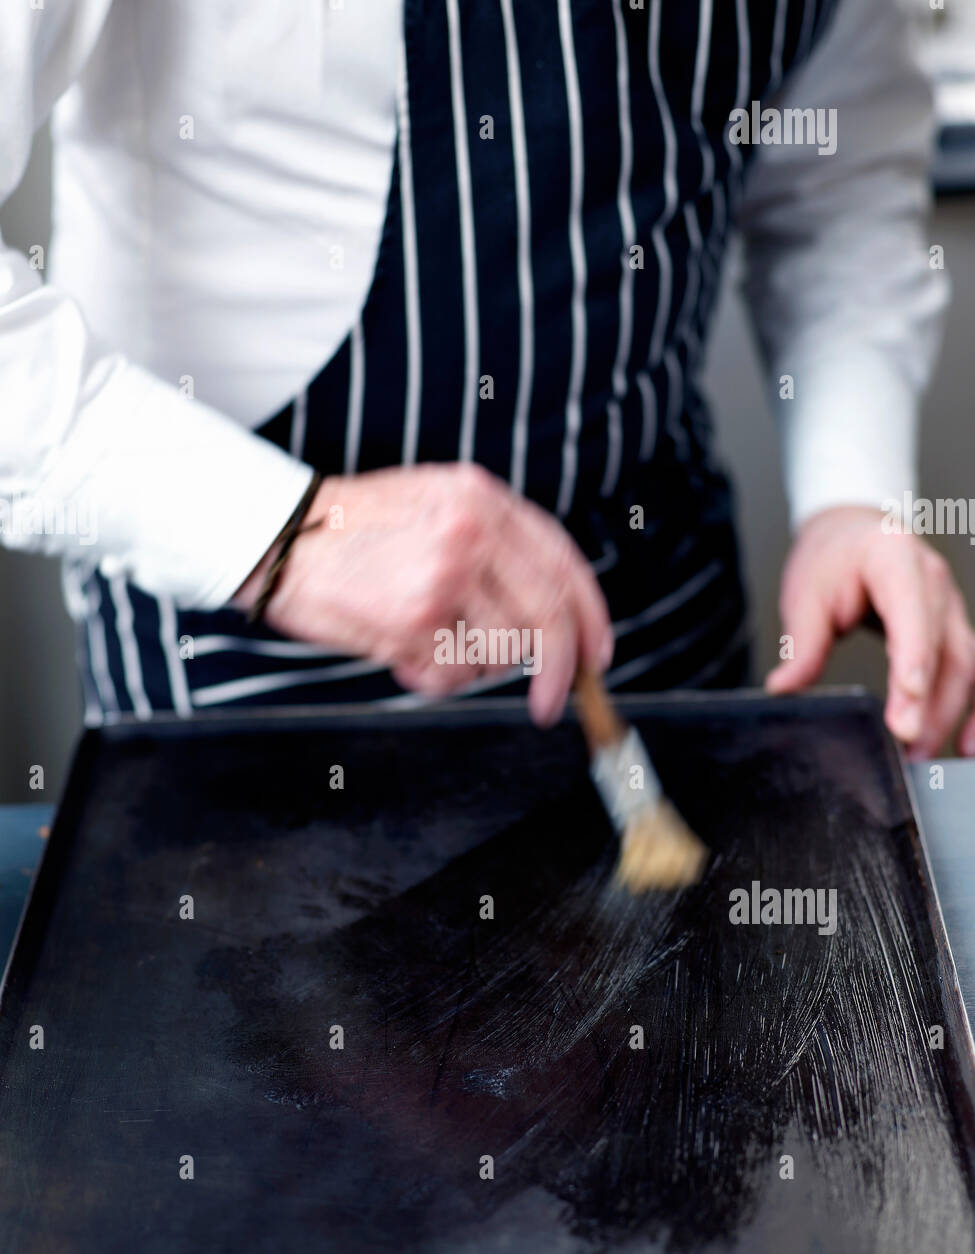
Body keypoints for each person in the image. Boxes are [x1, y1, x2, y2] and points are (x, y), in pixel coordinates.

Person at [2, 0, 972, 756]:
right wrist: (281, 534)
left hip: (656, 615)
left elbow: (832, 189)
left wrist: (851, 490)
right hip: (241, 654)